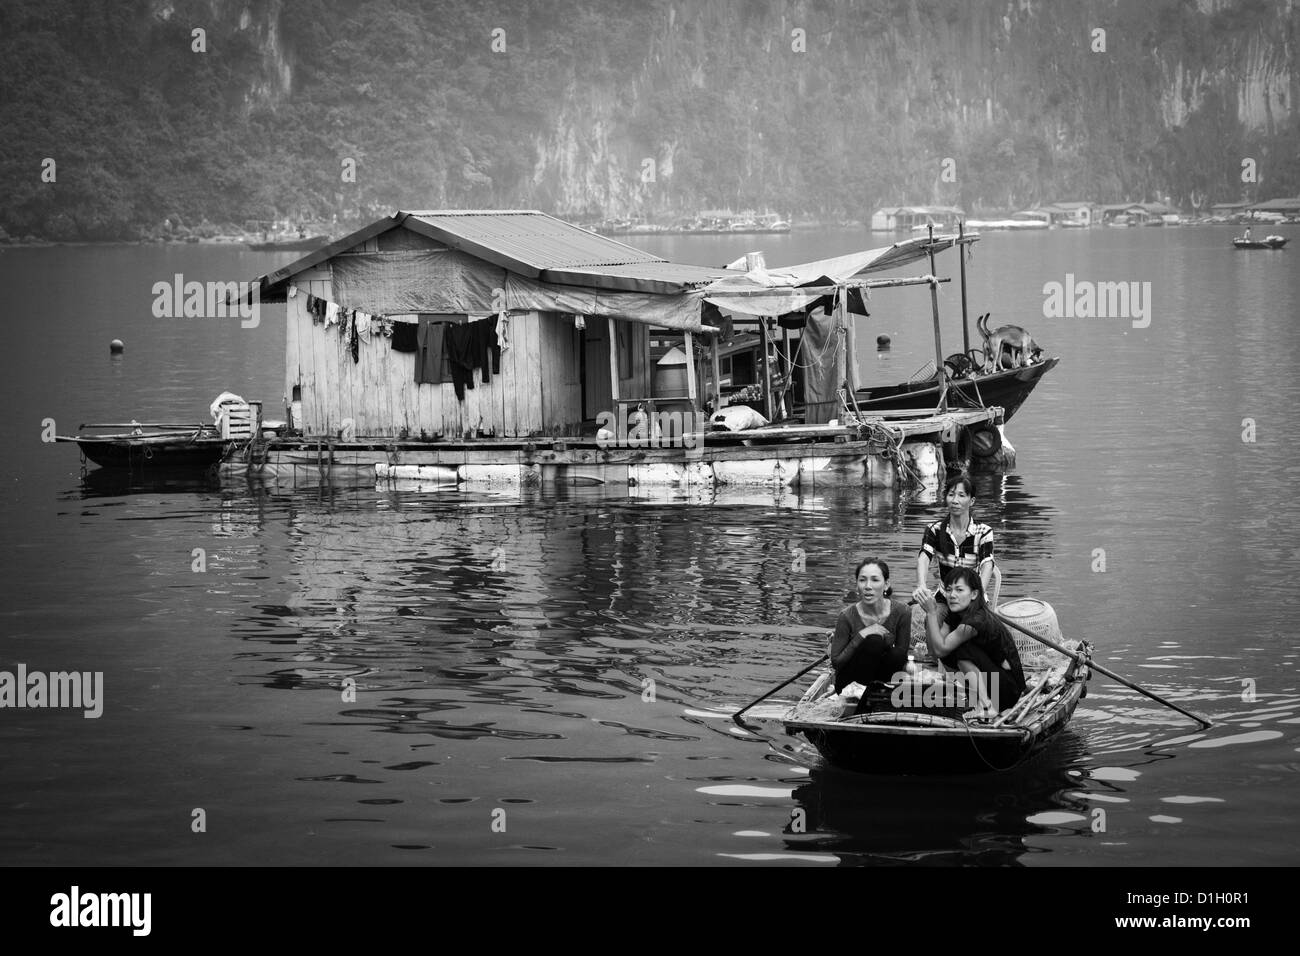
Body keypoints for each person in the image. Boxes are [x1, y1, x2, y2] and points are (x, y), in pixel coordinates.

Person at [916, 568, 1024, 718]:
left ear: (974, 594)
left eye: (959, 590)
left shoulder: (975, 621)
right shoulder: (956, 614)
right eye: (948, 590)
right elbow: (936, 650)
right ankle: (979, 700)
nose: (952, 595)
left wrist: (932, 612)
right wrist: (930, 615)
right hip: (992, 680)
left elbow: (940, 649)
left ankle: (986, 707)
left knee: (960, 650)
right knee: (949, 651)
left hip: (1007, 689)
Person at [911, 473, 999, 613]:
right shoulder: (934, 530)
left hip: (972, 600)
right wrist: (921, 585)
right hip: (944, 599)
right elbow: (924, 557)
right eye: (951, 495)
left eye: (961, 495)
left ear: (972, 501)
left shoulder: (984, 532)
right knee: (933, 622)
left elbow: (987, 565)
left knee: (971, 629)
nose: (955, 500)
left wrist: (976, 597)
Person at [829, 558, 912, 698]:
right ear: (857, 585)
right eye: (862, 580)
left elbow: (900, 654)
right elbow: (836, 662)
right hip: (850, 684)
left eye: (875, 580)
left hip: (882, 681)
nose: (868, 586)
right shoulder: (846, 616)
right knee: (873, 640)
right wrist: (862, 635)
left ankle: (879, 694)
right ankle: (860, 695)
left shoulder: (903, 611)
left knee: (895, 653)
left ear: (886, 585)